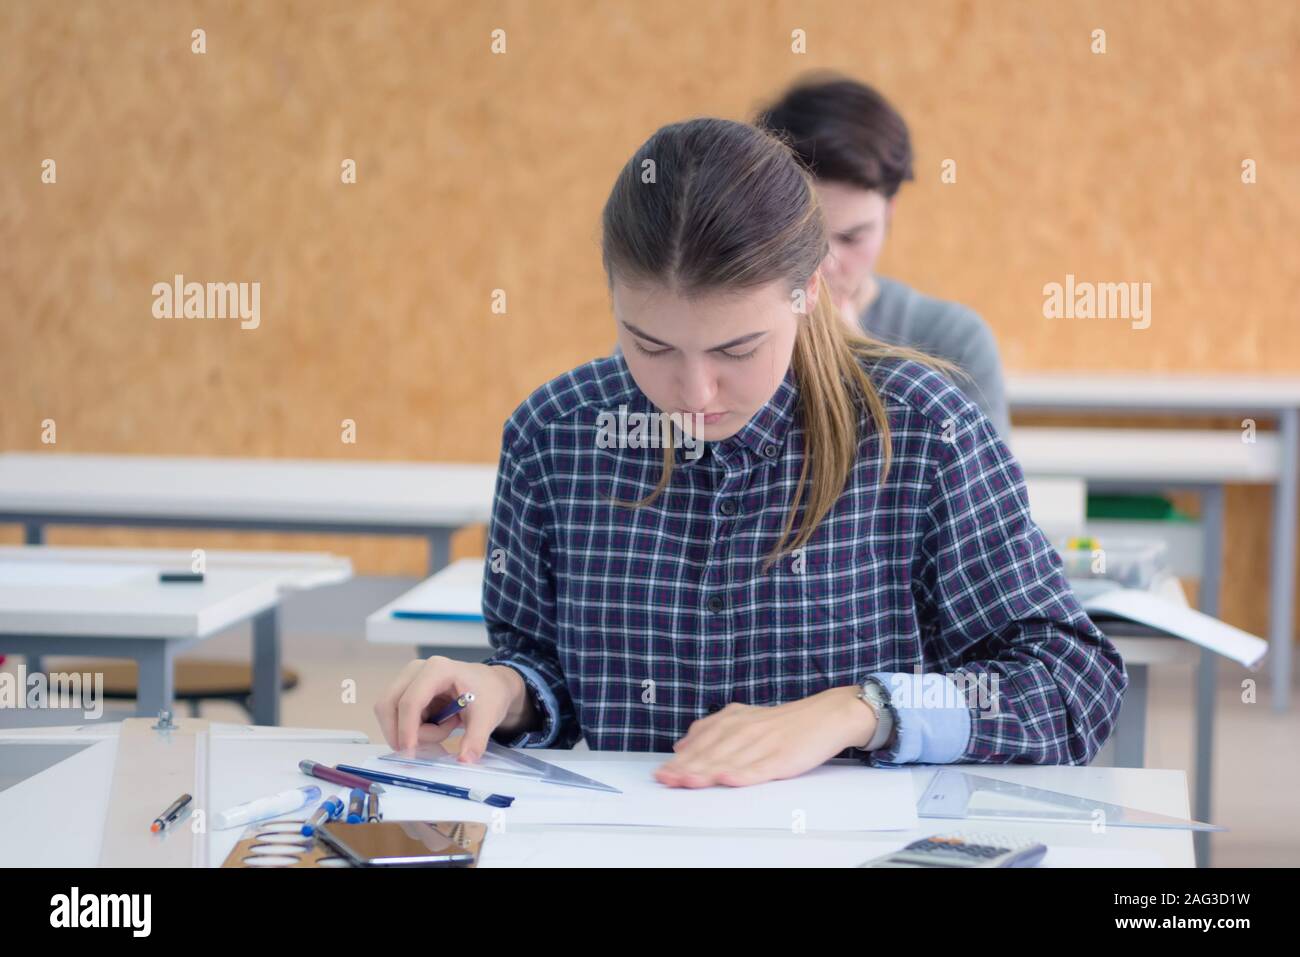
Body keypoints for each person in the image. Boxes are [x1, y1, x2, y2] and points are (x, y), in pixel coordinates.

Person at [375, 118, 1125, 788]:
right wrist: (502, 690)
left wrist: (858, 710)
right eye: (651, 344)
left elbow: (1072, 684)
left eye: (738, 347)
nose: (694, 391)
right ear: (612, 298)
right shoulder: (553, 434)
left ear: (807, 291)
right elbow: (551, 674)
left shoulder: (925, 430)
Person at [757, 74, 1013, 440]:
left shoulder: (953, 340)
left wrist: (858, 362)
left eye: (852, 237)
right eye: (803, 236)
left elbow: (987, 491)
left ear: (889, 214)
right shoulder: (737, 334)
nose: (825, 262)